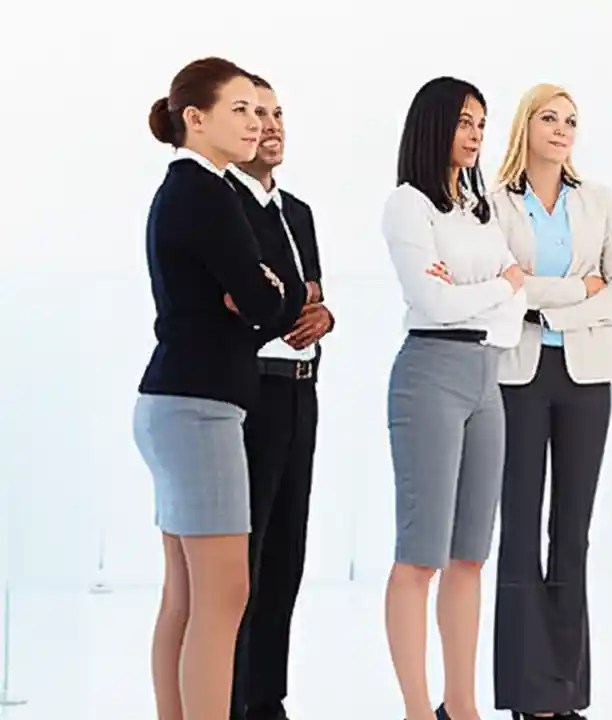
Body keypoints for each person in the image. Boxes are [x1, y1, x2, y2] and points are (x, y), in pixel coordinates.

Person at [135, 57, 286, 720]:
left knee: (188, 596)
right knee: (224, 593)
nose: (256, 122)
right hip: (197, 410)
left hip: (176, 402)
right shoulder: (206, 191)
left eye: (260, 110)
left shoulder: (192, 189)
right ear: (195, 120)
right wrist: (272, 291)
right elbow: (263, 299)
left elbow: (250, 301)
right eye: (241, 110)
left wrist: (259, 294)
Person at [381, 76, 528, 720]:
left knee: (470, 554)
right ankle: (417, 710)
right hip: (430, 375)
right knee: (421, 556)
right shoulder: (408, 205)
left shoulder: (478, 208)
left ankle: (460, 706)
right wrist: (498, 284)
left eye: (480, 125)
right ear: (435, 124)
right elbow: (434, 303)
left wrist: (494, 286)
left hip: (486, 377)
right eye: (465, 122)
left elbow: (514, 300)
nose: (474, 136)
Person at [489, 83, 612, 720]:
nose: (561, 128)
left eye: (571, 120)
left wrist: (546, 296)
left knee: (570, 533)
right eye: (549, 117)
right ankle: (527, 697)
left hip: (585, 377)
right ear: (526, 125)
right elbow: (501, 289)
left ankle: (565, 694)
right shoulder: (492, 205)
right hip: (518, 374)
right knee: (519, 531)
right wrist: (579, 288)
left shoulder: (599, 202)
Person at [225, 72, 335, 720]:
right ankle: (233, 699)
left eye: (278, 114)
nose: (271, 126)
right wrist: (296, 303)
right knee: (247, 556)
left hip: (301, 391)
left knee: (288, 552)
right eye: (256, 113)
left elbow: (308, 295)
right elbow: (247, 302)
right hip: (253, 394)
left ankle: (268, 700)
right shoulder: (224, 206)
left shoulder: (297, 212)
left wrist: (324, 316)